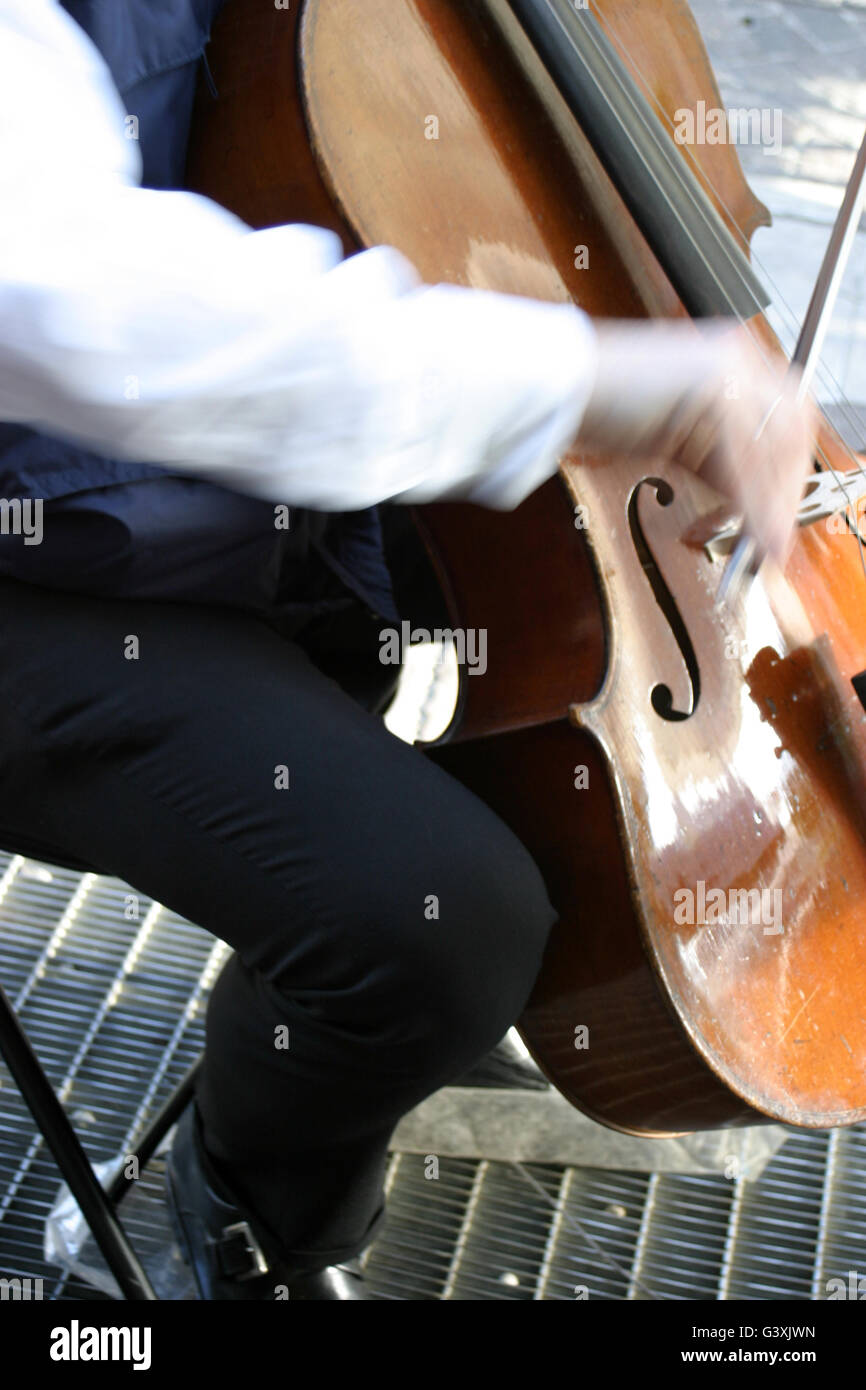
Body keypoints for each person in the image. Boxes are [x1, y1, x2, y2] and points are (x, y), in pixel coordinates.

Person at [0, 0, 813, 1300]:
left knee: (494, 704)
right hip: (42, 570)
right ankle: (216, 1209)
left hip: (232, 526)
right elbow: (87, 310)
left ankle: (346, 1034)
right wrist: (616, 386)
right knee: (441, 920)